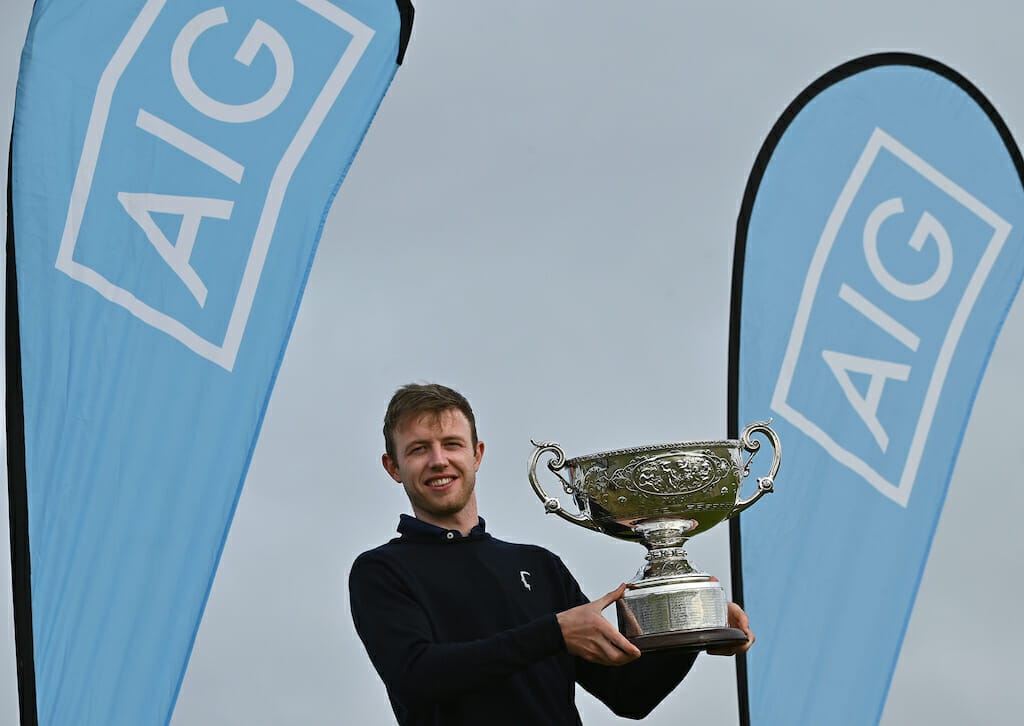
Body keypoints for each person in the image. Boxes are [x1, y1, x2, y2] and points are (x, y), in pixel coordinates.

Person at [349, 383, 754, 725]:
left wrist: (689, 629)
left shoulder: (537, 566)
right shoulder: (382, 571)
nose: (439, 460)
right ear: (393, 467)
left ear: (477, 454)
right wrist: (554, 633)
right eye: (419, 449)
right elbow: (416, 676)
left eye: (451, 444)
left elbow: (631, 697)